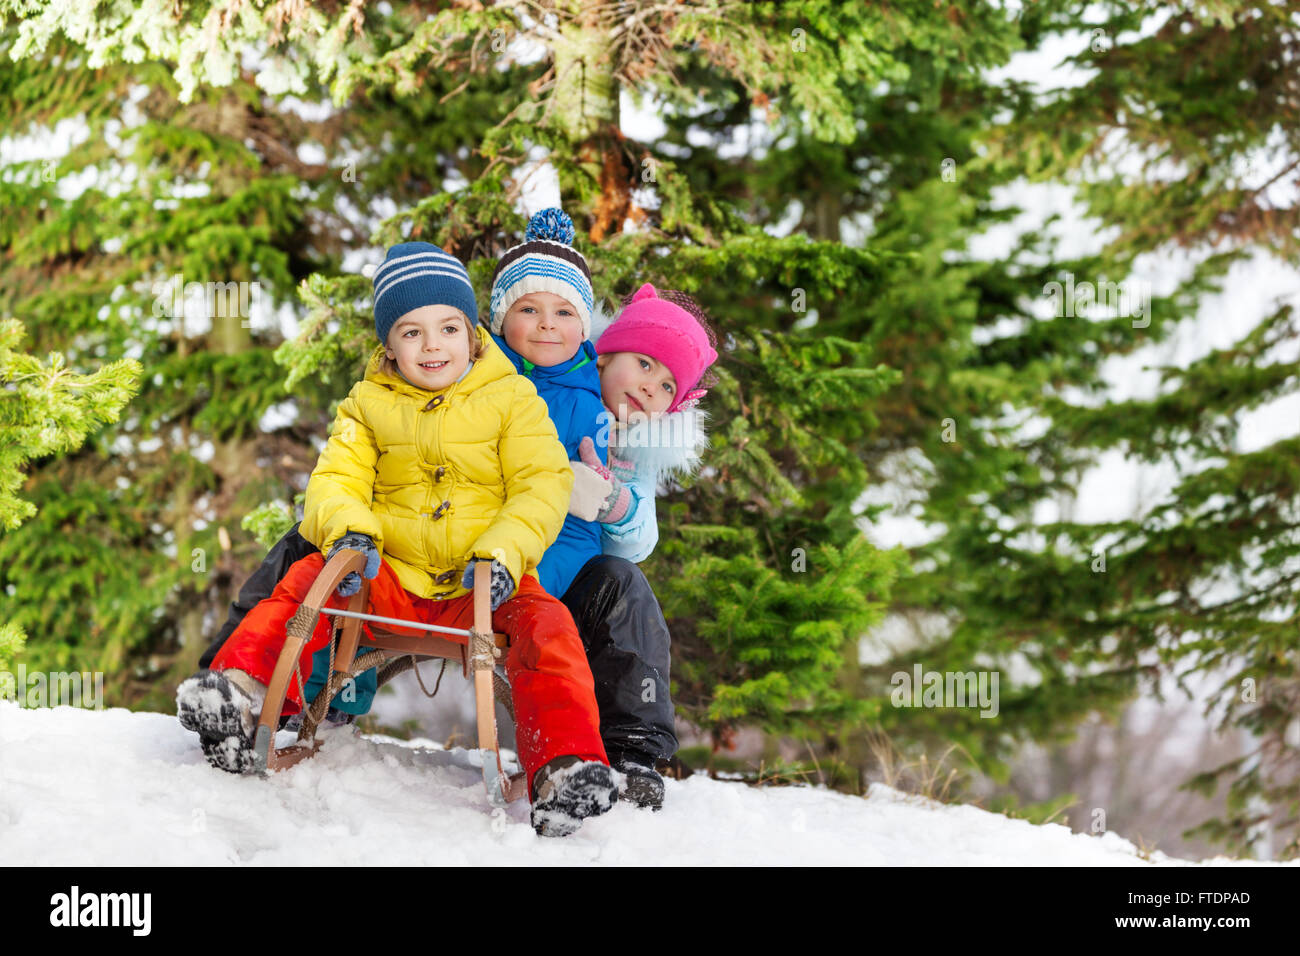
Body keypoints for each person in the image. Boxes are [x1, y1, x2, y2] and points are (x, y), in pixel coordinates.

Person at [177, 241, 617, 838]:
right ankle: (242, 693)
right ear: (390, 345)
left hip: (483, 582)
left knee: (550, 629)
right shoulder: (368, 405)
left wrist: (505, 553)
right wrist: (350, 530)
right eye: (411, 332)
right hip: (388, 577)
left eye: (447, 328)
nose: (432, 345)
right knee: (305, 583)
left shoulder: (514, 399)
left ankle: (564, 764)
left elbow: (543, 483)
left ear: (473, 331)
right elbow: (335, 478)